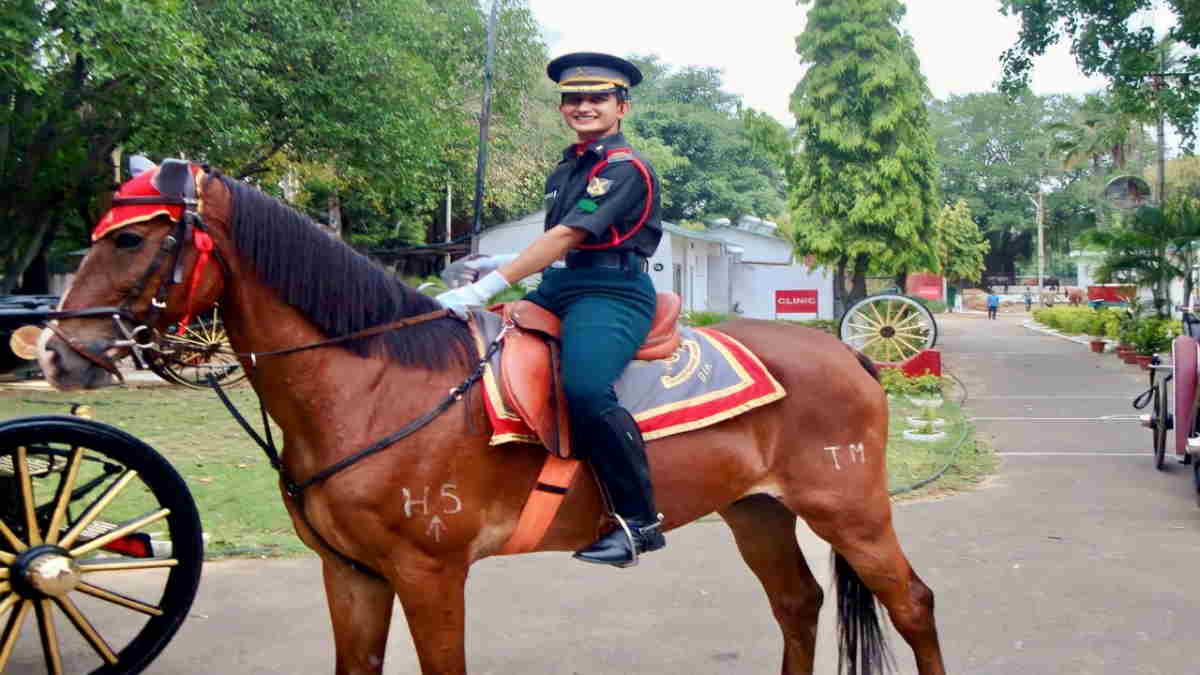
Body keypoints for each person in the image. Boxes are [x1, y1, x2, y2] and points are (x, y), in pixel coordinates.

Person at [436, 53, 665, 567]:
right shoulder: (568, 168)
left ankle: (639, 522)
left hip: (612, 292)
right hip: (562, 283)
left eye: (598, 98)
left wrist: (484, 287)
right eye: (573, 99)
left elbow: (568, 235)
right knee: (468, 346)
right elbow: (559, 243)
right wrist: (496, 262)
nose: (584, 106)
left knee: (585, 389)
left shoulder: (623, 168)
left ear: (622, 107)